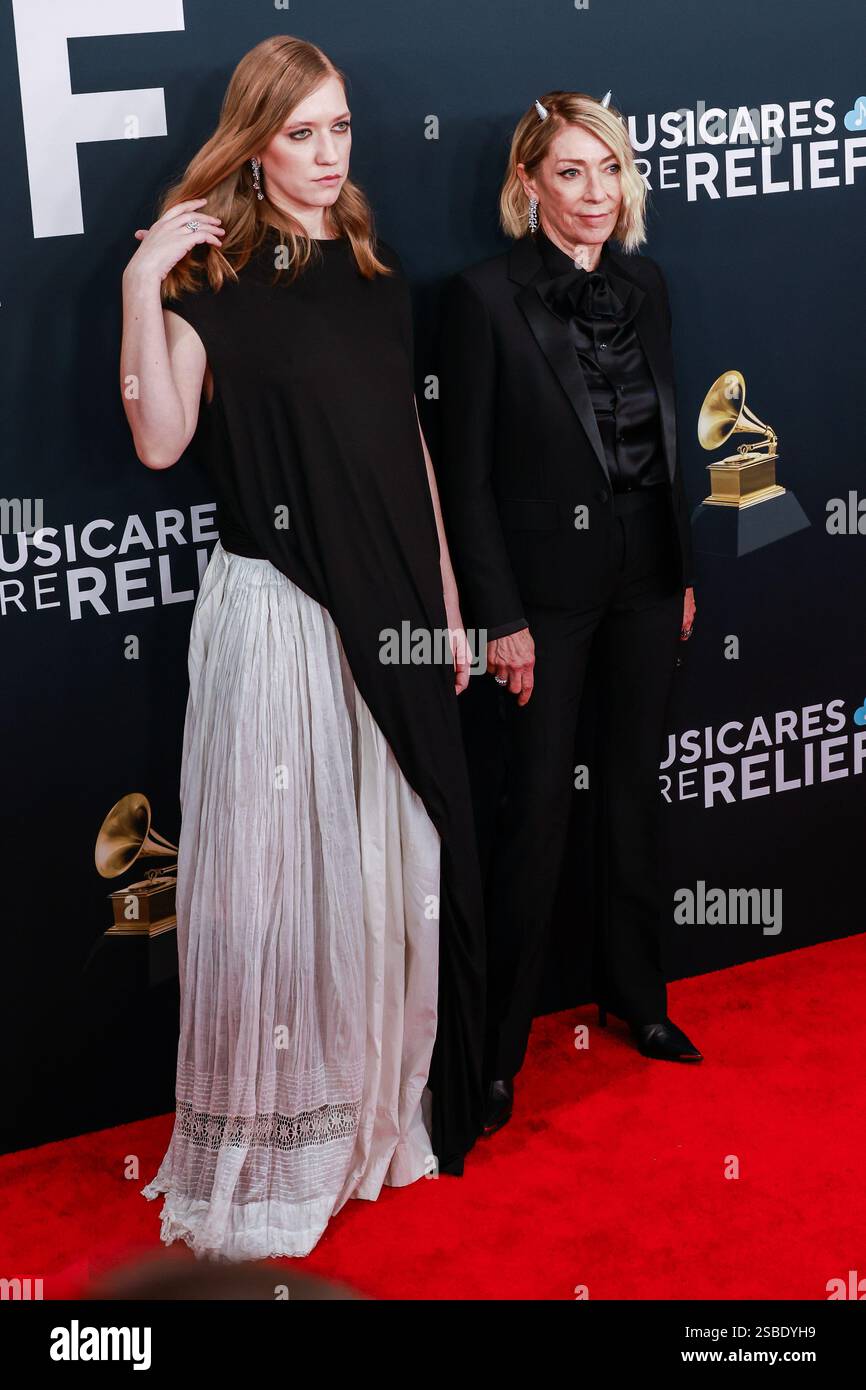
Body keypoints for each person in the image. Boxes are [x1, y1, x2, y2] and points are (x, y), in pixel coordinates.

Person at [119, 34, 485, 1260]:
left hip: (385, 614)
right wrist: (139, 286)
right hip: (274, 619)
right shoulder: (208, 287)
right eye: (299, 133)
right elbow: (161, 445)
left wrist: (441, 603)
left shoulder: (380, 281)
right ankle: (273, 1143)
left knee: (381, 876)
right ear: (253, 140)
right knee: (275, 888)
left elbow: (408, 454)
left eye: (338, 131)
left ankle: (376, 1111)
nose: (325, 157)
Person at [436, 90, 702, 1139]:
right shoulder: (479, 299)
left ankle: (636, 1001)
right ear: (527, 184)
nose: (593, 194)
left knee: (631, 797)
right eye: (569, 173)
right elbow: (462, 483)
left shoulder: (646, 283)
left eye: (608, 171)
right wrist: (498, 617)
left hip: (644, 581)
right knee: (535, 812)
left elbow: (666, 444)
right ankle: (495, 1056)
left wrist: (676, 572)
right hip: (540, 603)